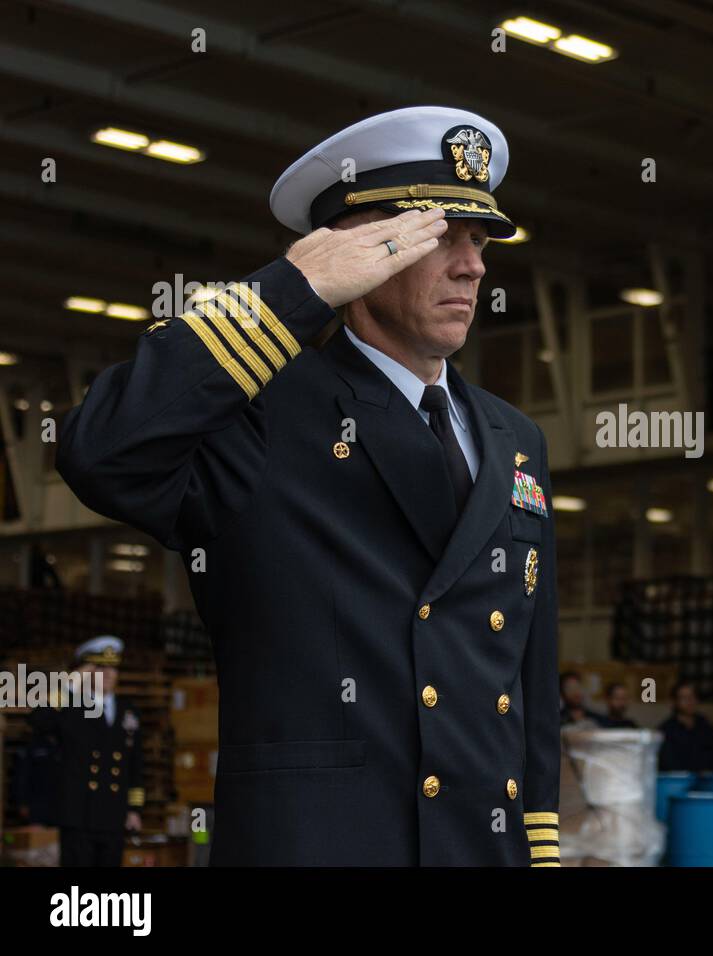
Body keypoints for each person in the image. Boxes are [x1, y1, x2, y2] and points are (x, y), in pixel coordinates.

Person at [57, 107, 560, 867]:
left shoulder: (514, 439)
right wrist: (290, 293)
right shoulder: (259, 411)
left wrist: (538, 849)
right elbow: (100, 451)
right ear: (359, 250)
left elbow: (530, 671)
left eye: (480, 240)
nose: (472, 266)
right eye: (439, 238)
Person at [19, 636, 143, 866]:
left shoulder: (129, 711)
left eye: (113, 668)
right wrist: (69, 685)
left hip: (114, 814)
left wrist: (134, 809)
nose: (108, 674)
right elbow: (37, 719)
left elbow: (135, 763)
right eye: (100, 668)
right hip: (78, 814)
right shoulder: (71, 706)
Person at [657, 681, 713, 772]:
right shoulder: (665, 731)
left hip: (706, 783)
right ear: (674, 702)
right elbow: (666, 765)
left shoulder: (708, 729)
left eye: (692, 697)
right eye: (684, 698)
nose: (690, 701)